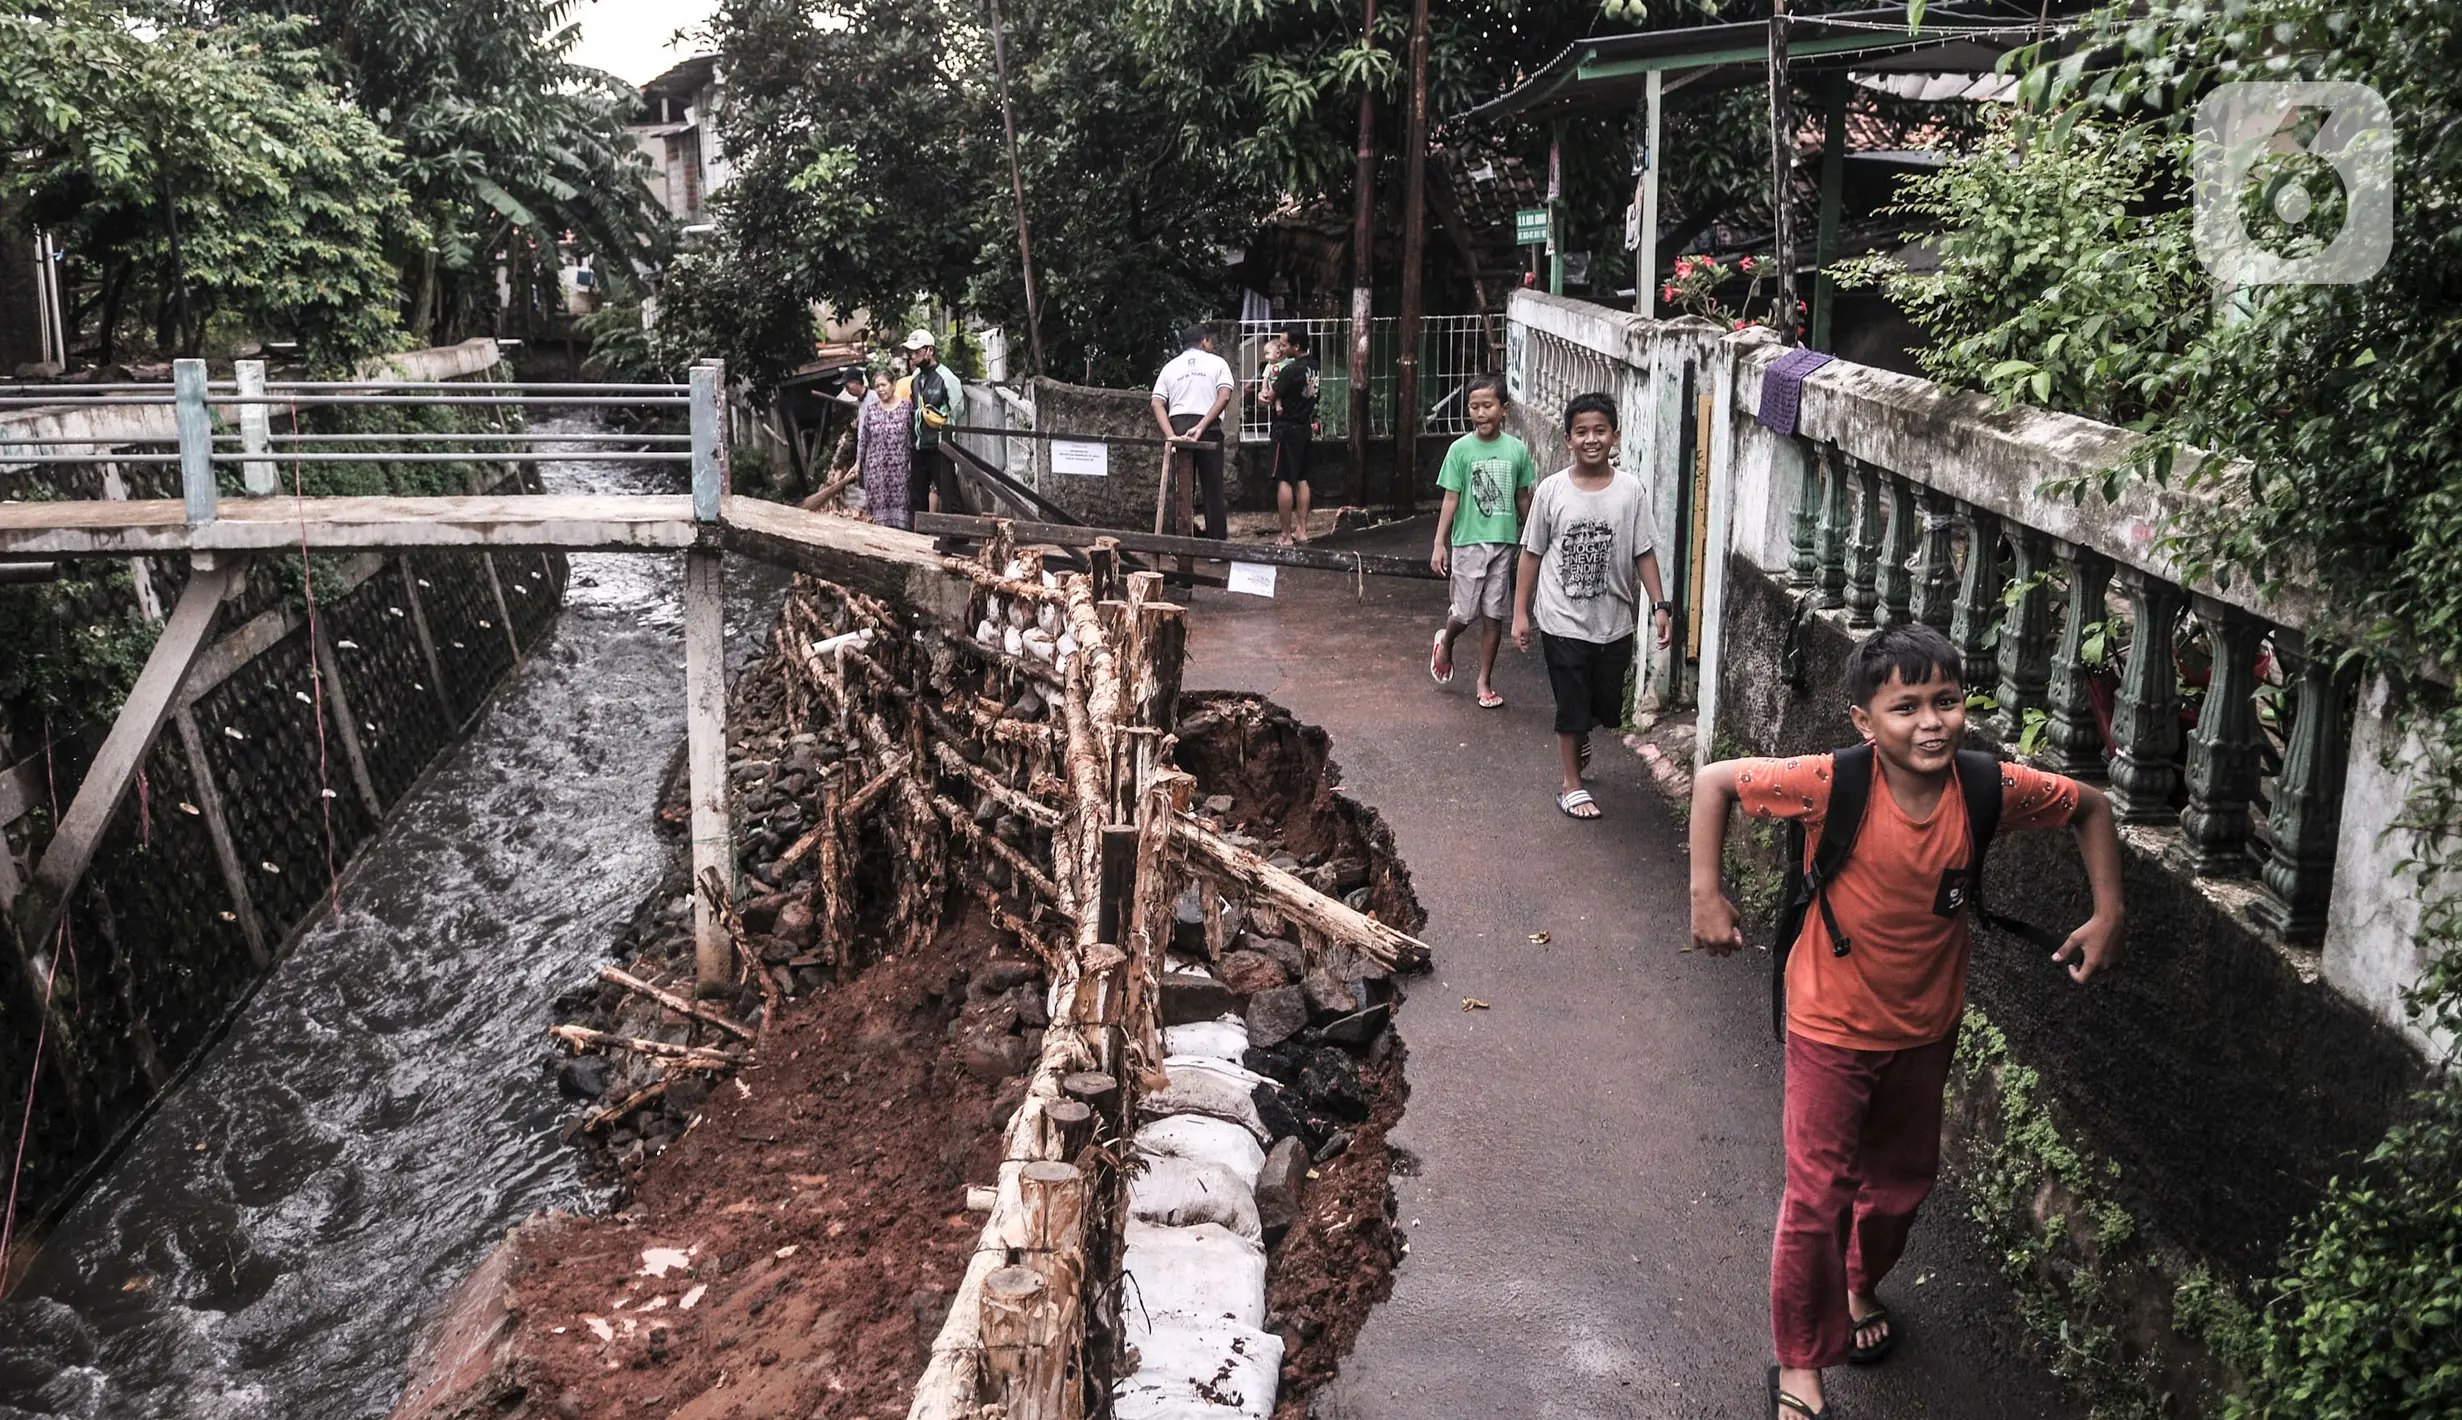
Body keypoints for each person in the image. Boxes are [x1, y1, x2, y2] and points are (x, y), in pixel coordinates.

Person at [1687, 621, 2126, 1420]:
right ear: (1864, 720)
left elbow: (2092, 807)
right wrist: (1705, 894)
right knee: (1816, 1198)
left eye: (1947, 702)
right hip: (1829, 1025)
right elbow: (1716, 781)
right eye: (1906, 707)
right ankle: (1800, 1367)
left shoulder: (1989, 789)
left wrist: (2108, 914)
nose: (1932, 722)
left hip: (1927, 1030)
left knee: (1898, 1188)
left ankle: (1859, 1286)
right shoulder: (1830, 782)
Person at [1510, 391, 1673, 819]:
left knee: (1604, 706)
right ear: (1567, 439)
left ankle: (1581, 730)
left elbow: (1643, 552)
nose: (1591, 439)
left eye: (1600, 430)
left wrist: (1659, 604)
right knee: (1570, 700)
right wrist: (1521, 613)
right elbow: (1531, 553)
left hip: (1613, 620)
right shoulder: (1551, 491)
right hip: (1561, 619)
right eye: (1581, 432)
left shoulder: (1630, 491)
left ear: (1615, 436)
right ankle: (1571, 785)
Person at [1428, 374, 1536, 707]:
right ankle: (1446, 640)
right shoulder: (1459, 450)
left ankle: (1484, 680)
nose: (1480, 413)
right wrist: (1439, 543)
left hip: (1503, 543)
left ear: (1504, 409)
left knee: (1494, 615)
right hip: (1468, 542)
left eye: (1487, 406)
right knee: (1464, 613)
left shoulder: (1516, 450)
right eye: (1474, 407)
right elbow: (1450, 498)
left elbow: (1522, 498)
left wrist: (1532, 536)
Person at [1149, 322, 1237, 540]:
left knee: (1180, 489)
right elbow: (1224, 396)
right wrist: (1202, 425)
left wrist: (1170, 435)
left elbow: (1156, 402)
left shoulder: (1171, 367)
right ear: (1204, 341)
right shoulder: (1217, 363)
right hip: (1208, 427)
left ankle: (1178, 543)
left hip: (1178, 426)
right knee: (1213, 487)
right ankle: (1216, 545)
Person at [1268, 325, 1321, 546]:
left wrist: (1266, 395)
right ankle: (1303, 530)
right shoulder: (1315, 367)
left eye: (1283, 343)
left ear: (1296, 346)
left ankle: (1286, 535)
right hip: (1304, 427)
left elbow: (1271, 395)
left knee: (1284, 479)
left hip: (1286, 429)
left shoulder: (1290, 370)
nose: (1280, 347)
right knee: (1302, 478)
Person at [901, 329, 963, 516]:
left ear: (930, 350)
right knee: (917, 497)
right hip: (918, 446)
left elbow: (958, 410)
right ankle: (919, 539)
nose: (913, 356)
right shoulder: (916, 378)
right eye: (910, 352)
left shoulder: (947, 378)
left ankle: (958, 537)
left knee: (949, 493)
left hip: (939, 446)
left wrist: (943, 430)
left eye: (917, 351)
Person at [852, 370, 913, 530]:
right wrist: (858, 463)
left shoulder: (907, 408)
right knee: (878, 519)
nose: (880, 389)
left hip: (900, 471)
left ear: (893, 385)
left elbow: (913, 439)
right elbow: (864, 439)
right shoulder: (871, 410)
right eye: (877, 386)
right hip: (876, 472)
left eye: (883, 385)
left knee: (901, 513)